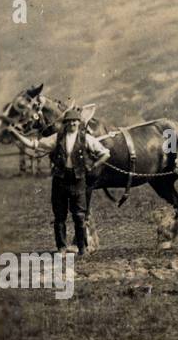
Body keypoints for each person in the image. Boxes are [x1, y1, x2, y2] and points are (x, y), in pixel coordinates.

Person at [8, 108, 110, 255]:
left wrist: (93, 165)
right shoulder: (57, 138)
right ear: (65, 123)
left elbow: (106, 153)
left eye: (75, 121)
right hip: (60, 181)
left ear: (79, 123)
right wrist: (15, 134)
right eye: (69, 121)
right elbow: (33, 144)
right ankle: (61, 248)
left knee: (79, 216)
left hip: (78, 181)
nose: (73, 123)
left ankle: (82, 249)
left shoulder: (85, 138)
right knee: (59, 217)